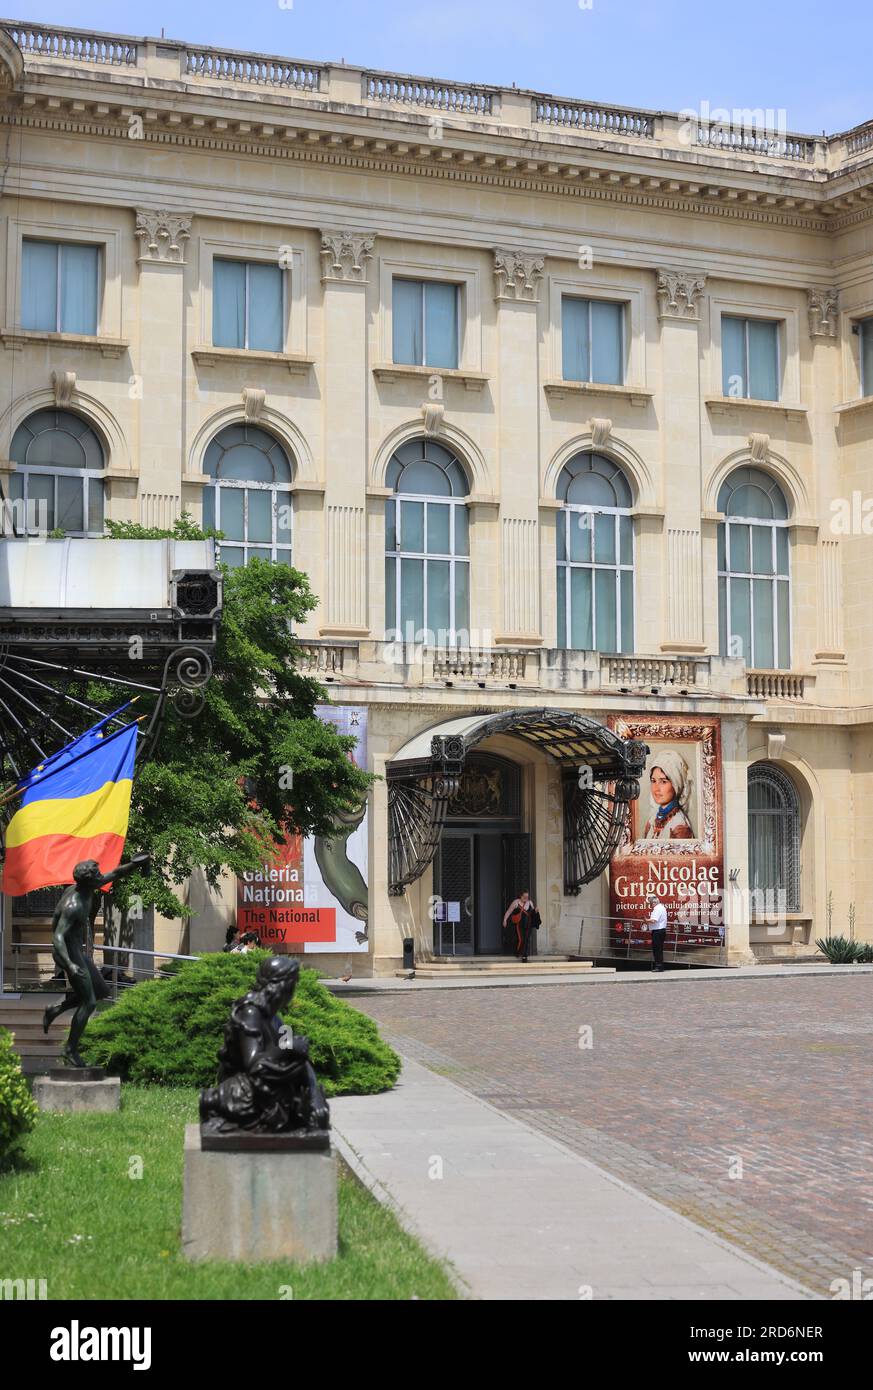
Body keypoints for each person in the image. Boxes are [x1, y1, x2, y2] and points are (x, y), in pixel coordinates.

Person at [42, 854, 151, 1067]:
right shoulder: (74, 903)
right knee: (90, 1002)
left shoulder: (87, 886)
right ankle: (70, 1050)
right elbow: (58, 937)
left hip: (77, 952)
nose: (101, 878)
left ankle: (55, 1010)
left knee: (101, 992)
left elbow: (116, 873)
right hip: (67, 954)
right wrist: (71, 965)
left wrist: (137, 865)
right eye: (98, 876)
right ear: (89, 880)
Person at [640, 750, 694, 840]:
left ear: (676, 785)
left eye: (663, 782)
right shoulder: (651, 822)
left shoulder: (680, 827)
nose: (656, 788)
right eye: (653, 781)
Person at [502, 889, 540, 962]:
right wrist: (505, 920)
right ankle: (518, 952)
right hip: (519, 925)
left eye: (527, 897)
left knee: (526, 940)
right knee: (521, 939)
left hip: (528, 924)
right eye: (524, 897)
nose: (526, 898)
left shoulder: (530, 903)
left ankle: (524, 956)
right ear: (521, 896)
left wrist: (535, 911)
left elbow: (532, 913)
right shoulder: (516, 902)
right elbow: (509, 911)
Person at [647, 893, 668, 972]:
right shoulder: (662, 908)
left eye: (651, 903)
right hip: (660, 931)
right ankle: (659, 966)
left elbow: (653, 920)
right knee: (658, 949)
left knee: (657, 949)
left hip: (658, 931)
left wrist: (645, 920)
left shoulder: (657, 909)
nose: (650, 905)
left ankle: (659, 966)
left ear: (654, 902)